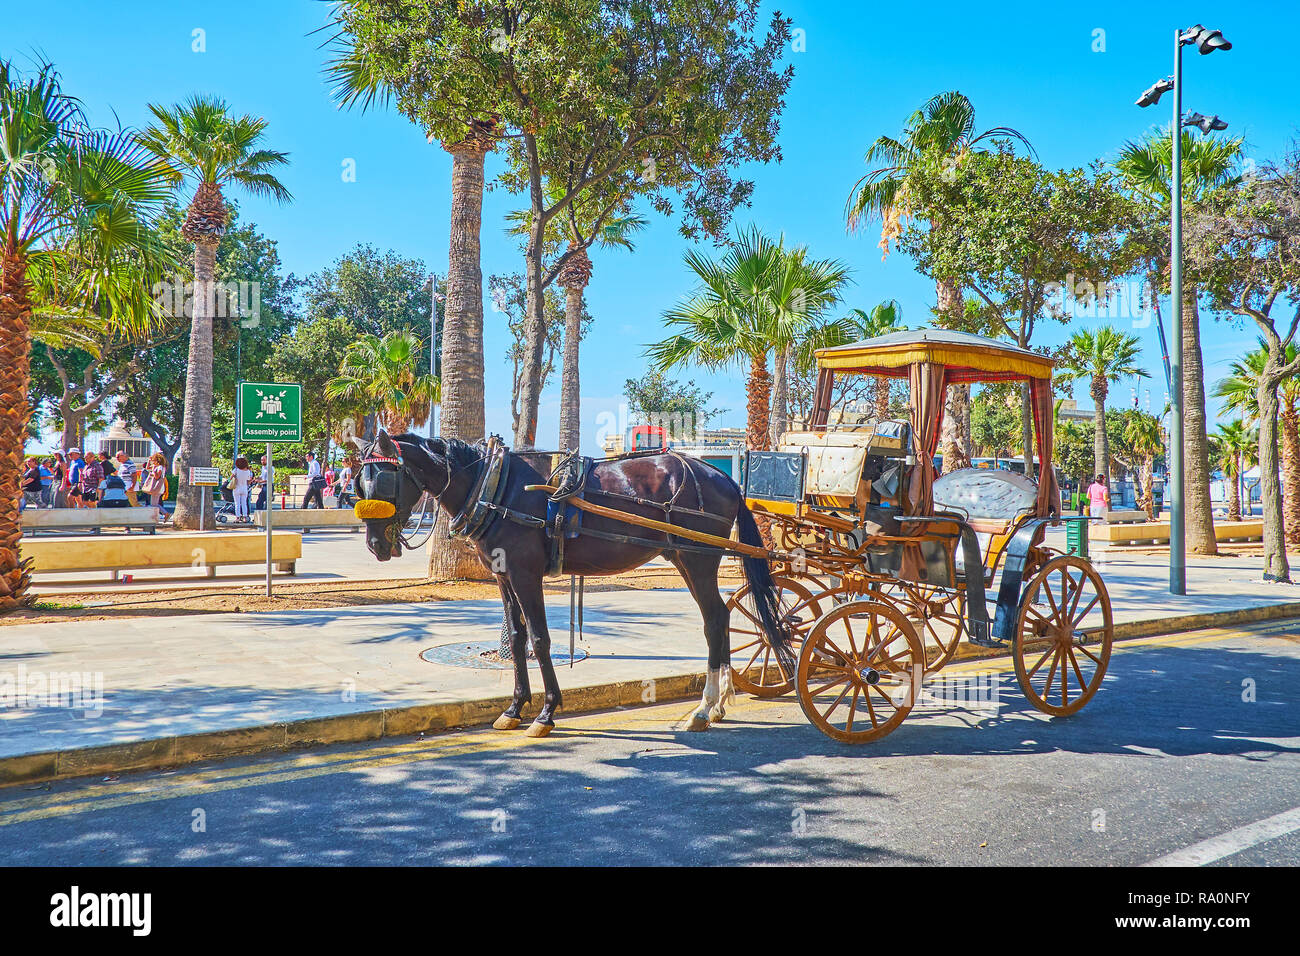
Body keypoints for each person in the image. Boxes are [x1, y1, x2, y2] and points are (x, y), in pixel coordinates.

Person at [231, 456, 255, 523]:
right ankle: (245, 517)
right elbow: (248, 481)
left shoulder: (235, 470)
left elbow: (230, 478)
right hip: (244, 488)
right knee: (244, 503)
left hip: (236, 488)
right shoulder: (248, 472)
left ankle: (237, 518)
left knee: (237, 504)